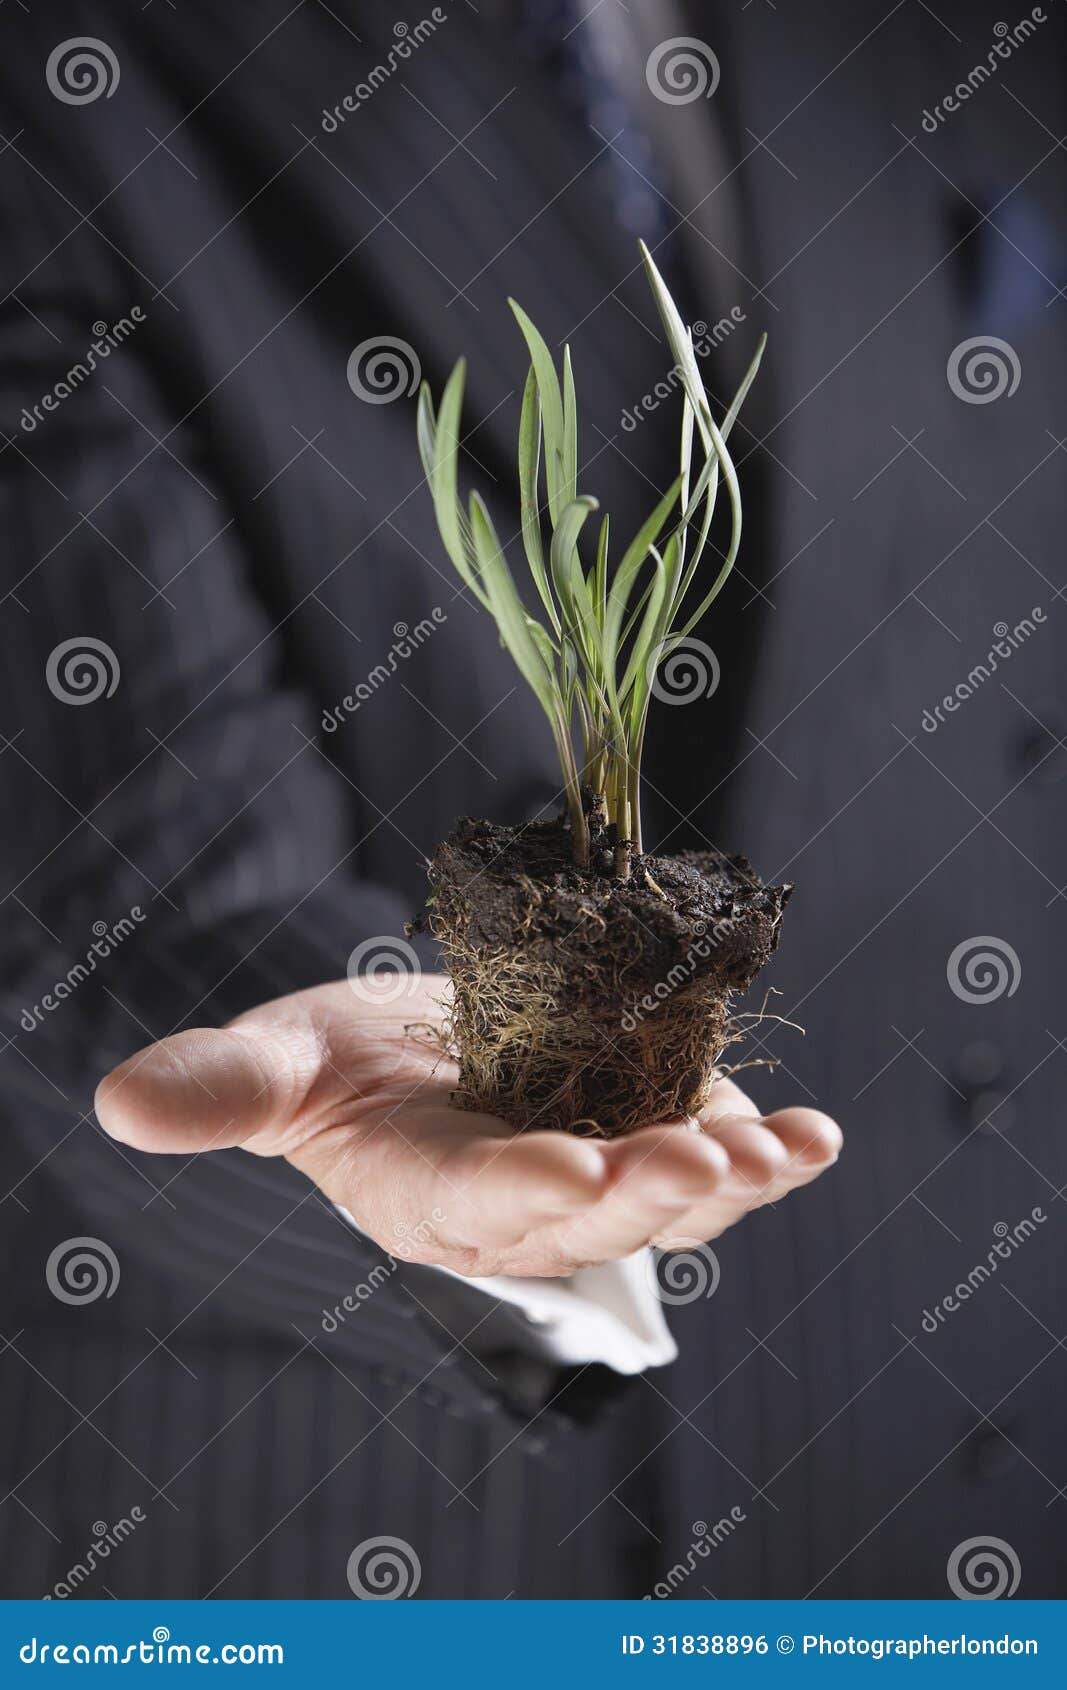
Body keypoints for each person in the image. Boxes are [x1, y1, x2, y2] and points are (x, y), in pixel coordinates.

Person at [1, 0, 1063, 1599]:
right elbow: (134, 846)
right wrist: (342, 1051)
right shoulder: (57, 64)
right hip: (366, 1529)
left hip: (939, 1460)